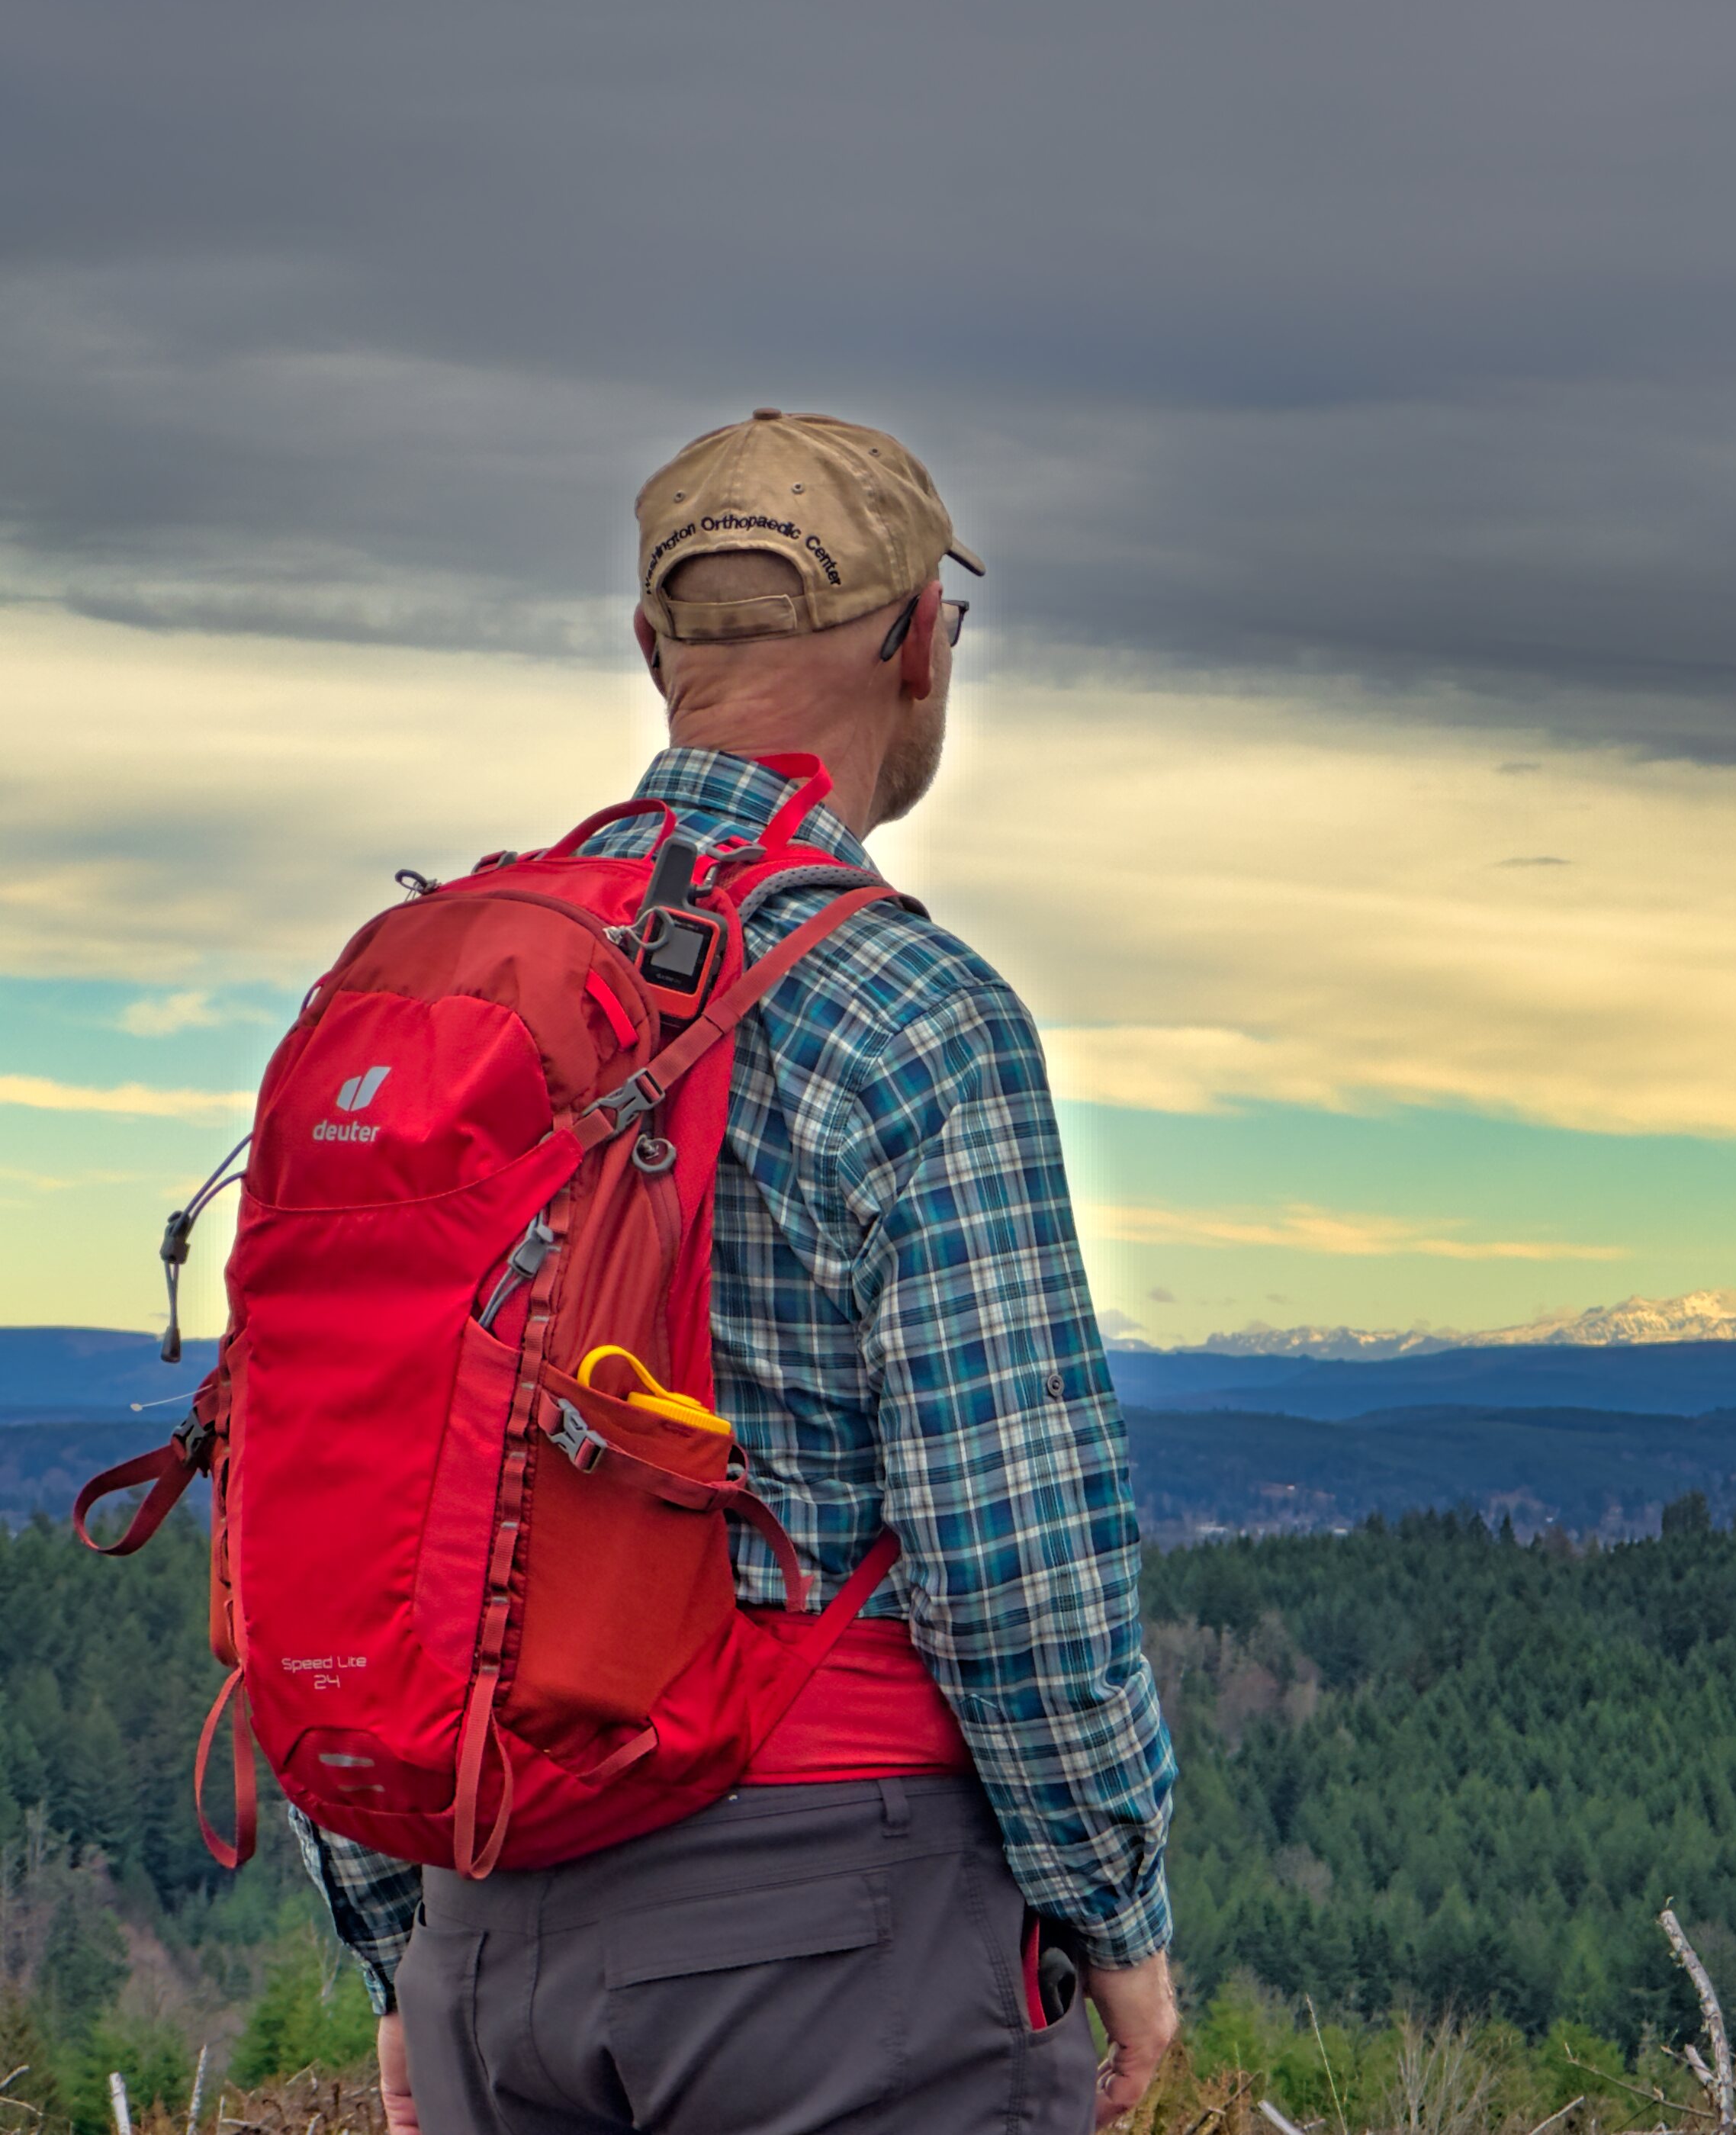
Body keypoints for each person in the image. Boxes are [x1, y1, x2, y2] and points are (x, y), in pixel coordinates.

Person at [291, 410, 1179, 2135]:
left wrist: (403, 1945)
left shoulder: (430, 993)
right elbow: (1010, 1555)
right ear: (922, 644)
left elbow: (345, 1494)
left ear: (653, 648)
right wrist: (1112, 1907)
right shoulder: (910, 1015)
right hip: (837, 1933)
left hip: (489, 1920)